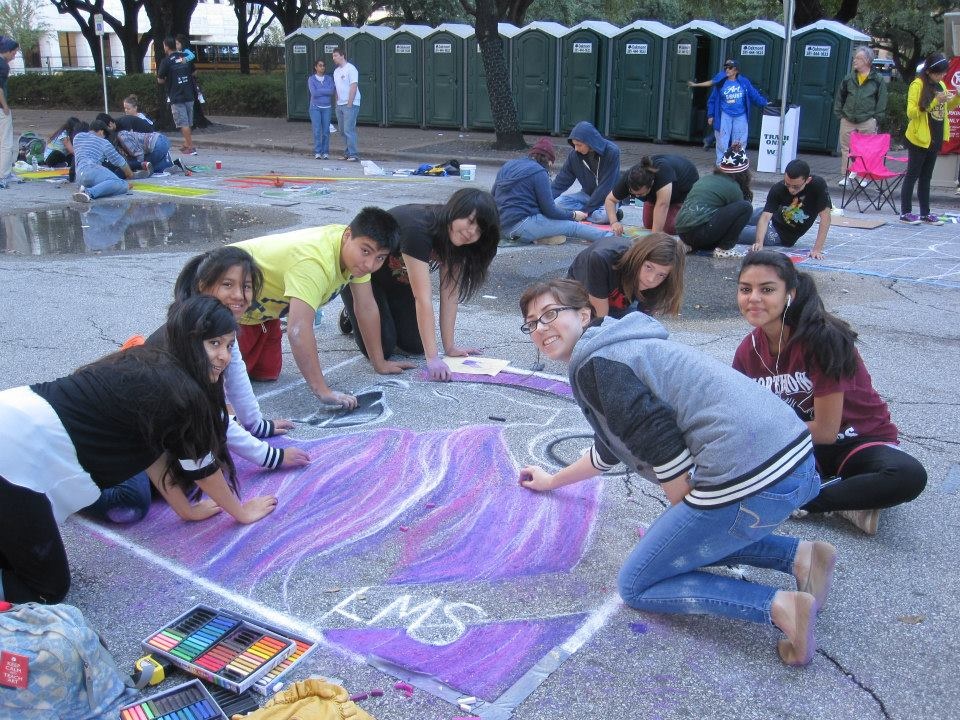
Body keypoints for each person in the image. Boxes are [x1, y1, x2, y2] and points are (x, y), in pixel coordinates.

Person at [518, 278, 837, 667]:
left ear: (584, 314)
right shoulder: (619, 346)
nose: (541, 328)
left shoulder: (595, 362)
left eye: (551, 314)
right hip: (795, 463)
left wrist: (681, 508)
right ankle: (801, 556)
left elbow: (654, 435)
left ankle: (780, 607)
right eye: (532, 323)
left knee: (638, 584)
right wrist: (553, 480)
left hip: (754, 479)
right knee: (673, 541)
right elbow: (613, 445)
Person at [0, 296, 279, 603]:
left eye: (228, 345)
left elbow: (153, 452)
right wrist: (240, 512)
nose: (224, 356)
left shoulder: (154, 364)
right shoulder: (179, 391)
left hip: (15, 417)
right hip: (15, 453)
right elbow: (202, 469)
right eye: (214, 343)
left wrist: (185, 509)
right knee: (47, 589)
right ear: (188, 340)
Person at [86, 250, 313, 524]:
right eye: (227, 285)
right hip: (109, 431)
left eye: (247, 286)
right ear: (203, 287)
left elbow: (236, 378)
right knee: (131, 501)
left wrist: (257, 425)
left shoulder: (215, 329)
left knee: (188, 474)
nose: (240, 295)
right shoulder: (188, 340)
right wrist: (271, 457)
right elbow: (211, 417)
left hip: (141, 427)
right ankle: (61, 484)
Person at [733, 251, 927, 535]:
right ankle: (850, 500)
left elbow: (825, 431)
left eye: (767, 289)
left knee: (907, 475)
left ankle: (808, 501)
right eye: (745, 289)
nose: (754, 298)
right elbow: (740, 414)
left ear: (790, 293)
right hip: (802, 448)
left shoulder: (823, 339)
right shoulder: (748, 350)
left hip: (856, 441)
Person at [231, 207, 401, 409]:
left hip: (263, 314)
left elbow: (365, 306)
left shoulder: (356, 251)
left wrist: (379, 362)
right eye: (366, 251)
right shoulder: (314, 262)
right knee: (218, 381)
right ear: (347, 235)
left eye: (380, 257)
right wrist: (323, 391)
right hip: (223, 307)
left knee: (267, 373)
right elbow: (297, 330)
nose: (370, 264)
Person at [340, 189, 499, 381]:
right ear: (456, 210)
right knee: (384, 347)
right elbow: (422, 298)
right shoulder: (418, 228)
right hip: (366, 276)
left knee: (415, 345)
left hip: (398, 280)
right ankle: (352, 311)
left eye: (480, 229)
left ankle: (385, 312)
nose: (471, 232)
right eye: (470, 221)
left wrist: (449, 347)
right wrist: (432, 359)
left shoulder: (459, 244)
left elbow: (450, 293)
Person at [492, 137, 613, 245]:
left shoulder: (508, 165)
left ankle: (540, 236)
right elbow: (550, 211)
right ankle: (611, 238)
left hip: (500, 227)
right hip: (521, 226)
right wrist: (573, 215)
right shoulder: (539, 172)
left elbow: (492, 197)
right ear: (548, 160)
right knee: (573, 227)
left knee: (551, 224)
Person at [900, 52, 960, 225]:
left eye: (944, 73)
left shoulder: (940, 84)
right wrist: (935, 100)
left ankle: (925, 213)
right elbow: (912, 112)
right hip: (919, 137)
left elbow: (946, 107)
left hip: (935, 135)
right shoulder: (917, 85)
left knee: (926, 177)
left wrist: (956, 98)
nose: (942, 76)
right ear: (929, 71)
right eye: (939, 73)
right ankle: (906, 212)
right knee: (912, 175)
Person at [567, 232, 685, 319]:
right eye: (648, 267)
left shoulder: (661, 281)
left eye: (661, 275)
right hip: (583, 294)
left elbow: (644, 322)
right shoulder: (602, 259)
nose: (651, 279)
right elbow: (601, 321)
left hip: (622, 297)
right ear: (639, 258)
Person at [743, 159, 833, 260]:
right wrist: (759, 242)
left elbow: (825, 218)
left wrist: (817, 250)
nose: (791, 190)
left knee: (736, 232)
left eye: (796, 187)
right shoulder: (778, 188)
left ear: (807, 180)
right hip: (773, 216)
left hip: (781, 234)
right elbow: (765, 217)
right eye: (788, 184)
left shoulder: (817, 185)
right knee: (741, 214)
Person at [674, 144, 752, 258]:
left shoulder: (706, 178)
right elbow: (734, 221)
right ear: (744, 174)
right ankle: (724, 249)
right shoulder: (733, 187)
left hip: (682, 233)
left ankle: (693, 245)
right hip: (701, 233)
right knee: (746, 207)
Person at [692, 59, 768, 165]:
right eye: (726, 67)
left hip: (740, 115)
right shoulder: (721, 83)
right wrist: (710, 115)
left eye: (730, 67)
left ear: (736, 70)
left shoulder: (744, 82)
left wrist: (765, 103)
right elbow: (712, 100)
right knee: (722, 140)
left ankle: (737, 161)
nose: (727, 69)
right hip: (724, 114)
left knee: (740, 140)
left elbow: (754, 95)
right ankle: (721, 162)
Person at [603, 155, 699, 236]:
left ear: (652, 184)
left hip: (683, 189)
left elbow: (662, 205)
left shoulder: (663, 173)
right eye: (633, 193)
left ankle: (688, 215)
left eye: (640, 194)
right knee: (649, 225)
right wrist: (614, 222)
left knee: (667, 228)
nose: (637, 196)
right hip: (657, 194)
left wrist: (653, 239)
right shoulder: (629, 178)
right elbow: (610, 200)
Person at [834, 46, 888, 187]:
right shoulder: (849, 78)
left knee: (866, 149)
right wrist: (840, 114)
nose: (855, 60)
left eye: (858, 58)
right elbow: (840, 96)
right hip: (848, 118)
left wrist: (876, 118)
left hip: (868, 119)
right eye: (855, 57)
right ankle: (847, 175)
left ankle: (863, 176)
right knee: (846, 148)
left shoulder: (877, 79)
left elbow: (882, 99)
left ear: (867, 61)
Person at [552, 121, 621, 223]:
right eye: (574, 145)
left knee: (602, 216)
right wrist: (545, 201)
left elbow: (606, 187)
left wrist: (585, 211)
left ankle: (585, 214)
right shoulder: (574, 156)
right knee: (557, 204)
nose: (576, 149)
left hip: (608, 197)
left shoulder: (612, 152)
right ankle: (599, 214)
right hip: (586, 195)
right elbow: (561, 181)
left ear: (590, 142)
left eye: (579, 145)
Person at [71, 119, 133, 203]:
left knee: (101, 183)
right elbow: (119, 161)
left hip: (79, 175)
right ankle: (88, 192)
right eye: (104, 135)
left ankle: (86, 190)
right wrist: (129, 174)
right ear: (101, 132)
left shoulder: (78, 137)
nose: (104, 137)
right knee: (120, 183)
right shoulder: (104, 143)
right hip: (92, 168)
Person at [157, 37, 197, 155]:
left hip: (176, 95)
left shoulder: (166, 61)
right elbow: (194, 72)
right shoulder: (186, 57)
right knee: (188, 122)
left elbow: (160, 79)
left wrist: (169, 79)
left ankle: (190, 147)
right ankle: (186, 143)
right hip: (189, 93)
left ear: (167, 47)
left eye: (164, 45)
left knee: (183, 122)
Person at [331, 47, 360, 161]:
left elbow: (353, 86)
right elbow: (337, 88)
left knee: (349, 129)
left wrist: (349, 103)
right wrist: (337, 103)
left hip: (350, 103)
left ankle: (353, 154)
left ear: (342, 56)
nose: (334, 58)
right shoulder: (336, 71)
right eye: (333, 56)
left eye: (336, 56)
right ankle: (347, 152)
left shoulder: (351, 69)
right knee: (342, 130)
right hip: (340, 104)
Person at [0, 36, 21, 190]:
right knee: (6, 142)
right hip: (1, 108)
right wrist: (5, 105)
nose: (14, 55)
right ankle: (4, 174)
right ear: (8, 51)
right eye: (14, 52)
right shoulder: (3, 66)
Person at [308, 58, 336, 160]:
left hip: (327, 108)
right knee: (317, 130)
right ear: (316, 67)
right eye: (320, 65)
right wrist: (325, 91)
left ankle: (325, 152)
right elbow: (314, 93)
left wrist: (320, 90)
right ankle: (317, 152)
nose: (322, 67)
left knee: (326, 131)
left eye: (323, 65)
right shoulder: (311, 79)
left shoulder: (329, 78)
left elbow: (332, 91)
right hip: (315, 107)